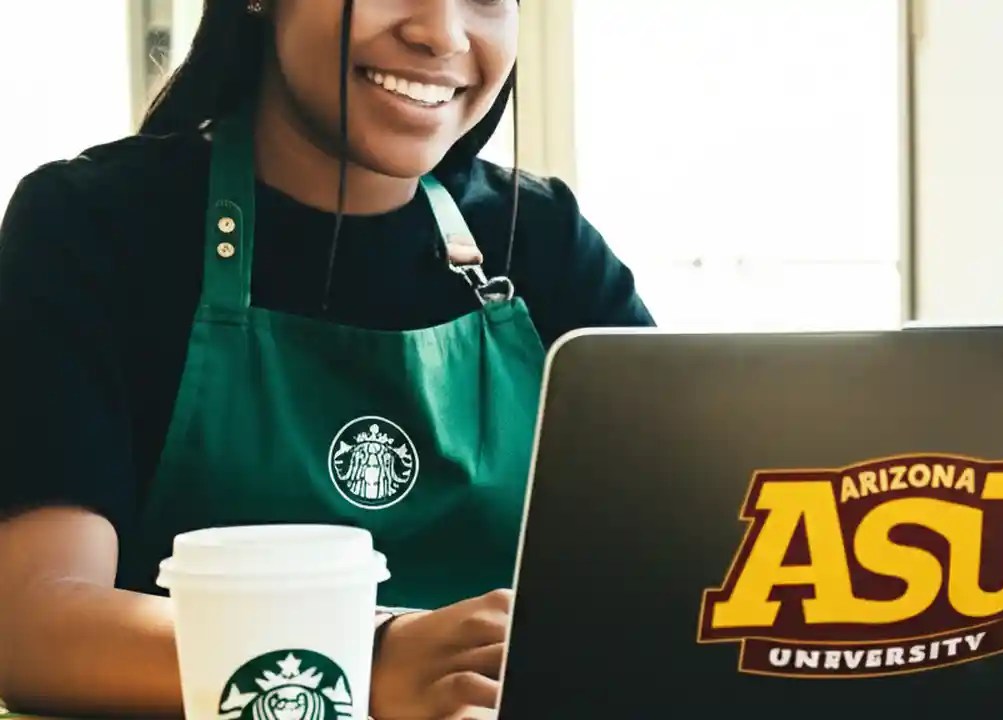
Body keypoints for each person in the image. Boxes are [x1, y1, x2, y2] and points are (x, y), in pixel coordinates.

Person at [0, 0, 652, 717]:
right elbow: (33, 625)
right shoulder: (94, 229)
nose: (441, 32)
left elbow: (688, 552)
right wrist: (357, 661)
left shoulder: (543, 241)